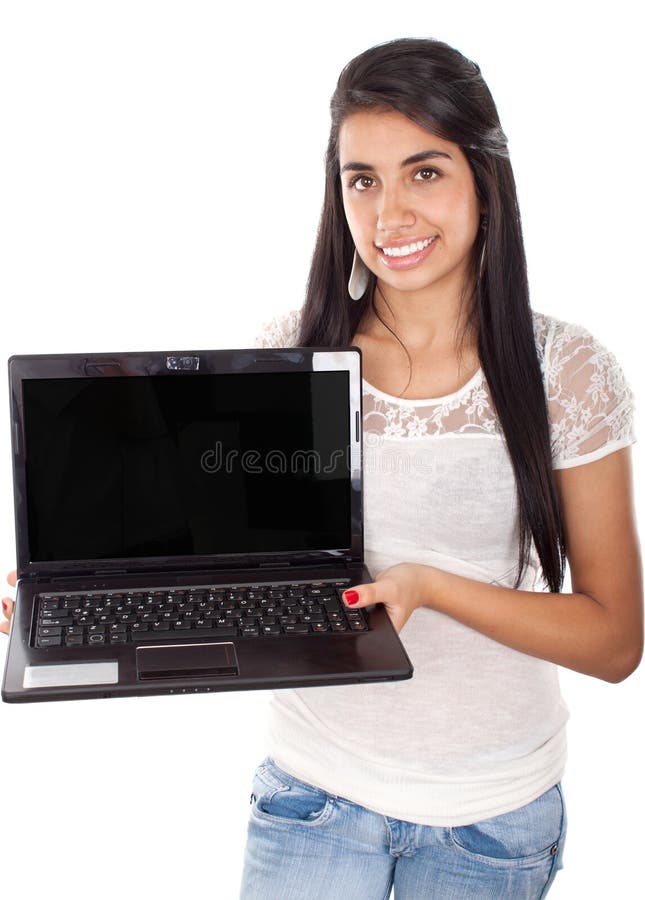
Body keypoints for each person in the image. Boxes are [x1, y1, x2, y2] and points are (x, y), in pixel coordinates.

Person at [2, 36, 643, 900]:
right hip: (314, 795)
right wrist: (76, 585)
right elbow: (212, 549)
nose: (389, 216)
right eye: (361, 179)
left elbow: (612, 643)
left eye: (424, 172)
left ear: (484, 182)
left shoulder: (564, 370)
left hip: (492, 814)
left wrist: (431, 586)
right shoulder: (288, 355)